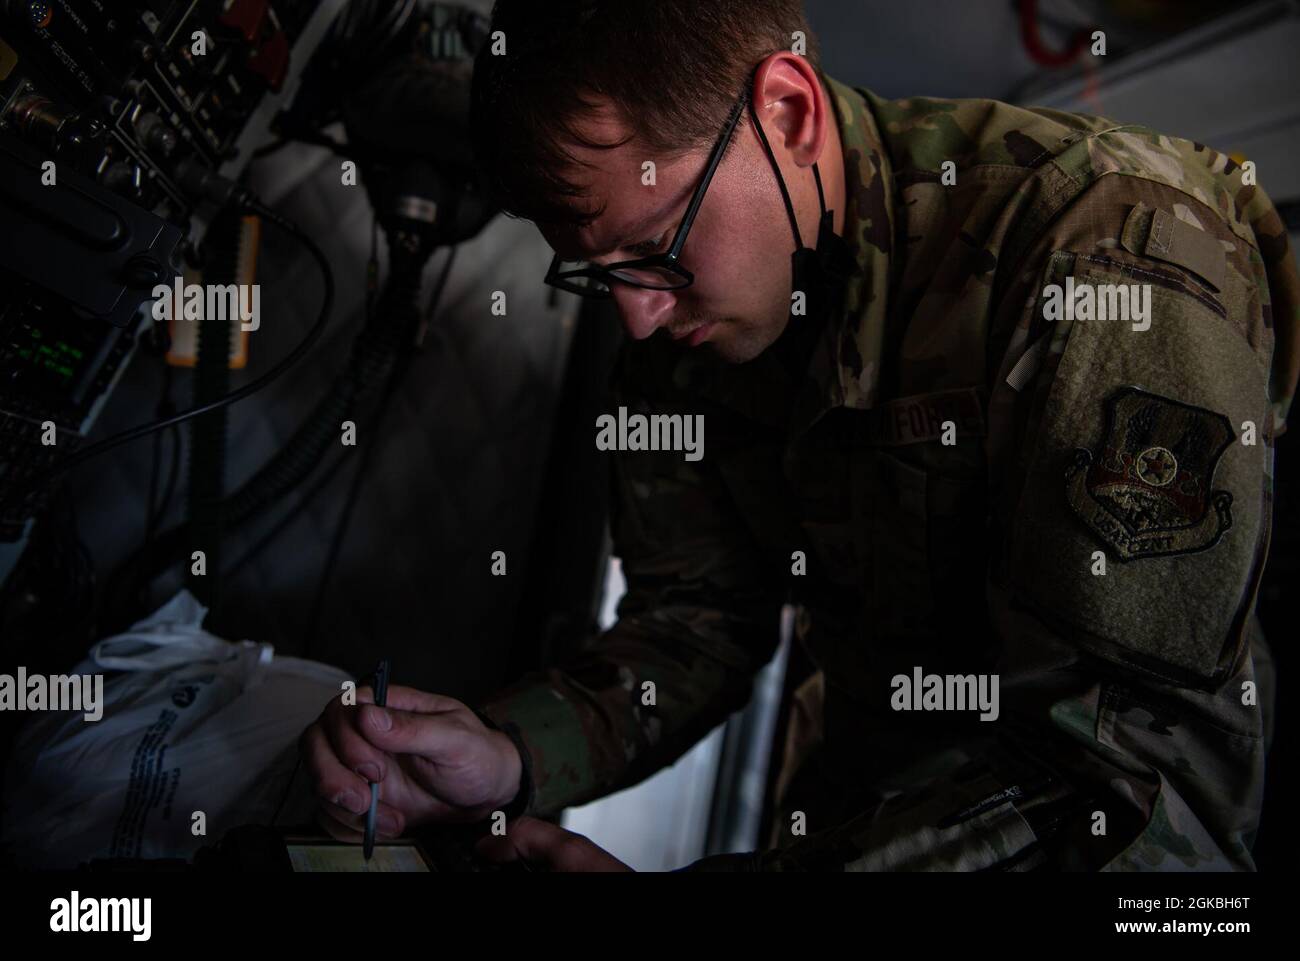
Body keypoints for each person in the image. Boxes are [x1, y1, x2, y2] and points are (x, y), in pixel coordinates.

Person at [300, 0, 1299, 871]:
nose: (637, 319)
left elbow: (1131, 788)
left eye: (652, 249)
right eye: (600, 273)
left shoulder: (1105, 256)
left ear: (787, 111)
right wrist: (510, 755)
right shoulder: (681, 321)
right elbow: (697, 620)